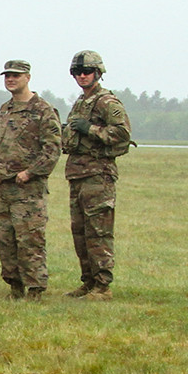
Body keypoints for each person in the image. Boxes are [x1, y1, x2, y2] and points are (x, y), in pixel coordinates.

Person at [0, 60, 61, 301]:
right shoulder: (4, 109)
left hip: (28, 189)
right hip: (2, 188)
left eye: (16, 75)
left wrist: (30, 173)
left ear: (27, 77)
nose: (10, 79)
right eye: (7, 75)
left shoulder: (43, 110)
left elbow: (52, 150)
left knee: (30, 239)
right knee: (5, 239)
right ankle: (15, 287)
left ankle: (35, 289)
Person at [62, 50, 131, 300]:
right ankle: (89, 281)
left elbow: (122, 134)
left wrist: (90, 129)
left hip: (98, 176)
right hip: (78, 175)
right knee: (80, 233)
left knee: (98, 232)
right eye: (77, 72)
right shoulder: (81, 102)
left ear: (98, 73)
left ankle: (102, 286)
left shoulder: (107, 102)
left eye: (87, 71)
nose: (82, 76)